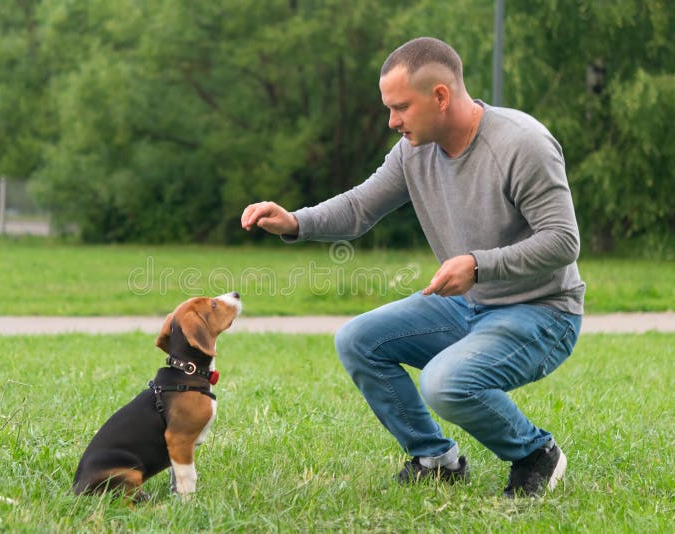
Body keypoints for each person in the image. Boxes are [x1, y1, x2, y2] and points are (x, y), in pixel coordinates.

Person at [240, 37, 584, 498]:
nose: (391, 121)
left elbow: (563, 241)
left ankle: (534, 453)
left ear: (440, 96)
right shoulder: (414, 151)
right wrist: (295, 222)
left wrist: (477, 266)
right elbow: (361, 206)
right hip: (468, 305)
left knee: (444, 383)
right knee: (359, 339)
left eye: (400, 107)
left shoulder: (522, 144)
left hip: (543, 312)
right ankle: (435, 459)